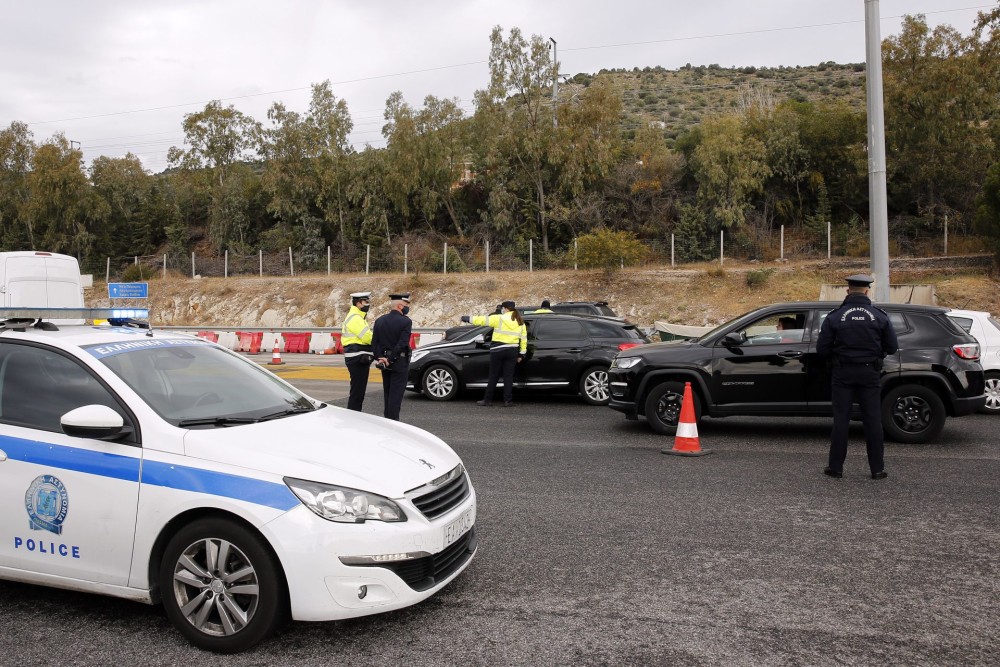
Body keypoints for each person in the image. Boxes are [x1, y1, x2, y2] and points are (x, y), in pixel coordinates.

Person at [816, 274, 898, 480]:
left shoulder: (835, 317)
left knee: (841, 420)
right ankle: (877, 469)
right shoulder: (879, 316)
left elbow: (822, 349)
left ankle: (836, 468)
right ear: (867, 291)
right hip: (870, 373)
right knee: (873, 420)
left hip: (842, 373)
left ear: (847, 291)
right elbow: (892, 347)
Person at [460, 300, 527, 407]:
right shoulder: (520, 321)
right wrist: (522, 354)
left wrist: (468, 319)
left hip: (498, 350)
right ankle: (508, 401)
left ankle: (487, 400)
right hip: (512, 351)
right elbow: (523, 339)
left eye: (503, 308)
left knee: (493, 376)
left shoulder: (499, 318)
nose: (502, 310)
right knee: (508, 377)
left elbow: (483, 320)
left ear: (506, 308)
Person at [371, 293, 413, 421]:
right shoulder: (406, 321)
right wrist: (391, 359)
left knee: (388, 394)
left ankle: (387, 421)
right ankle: (394, 423)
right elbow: (402, 343)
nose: (407, 307)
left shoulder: (380, 320)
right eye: (405, 305)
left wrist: (380, 358)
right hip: (398, 362)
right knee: (396, 396)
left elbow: (375, 342)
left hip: (384, 362)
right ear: (400, 306)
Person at [342, 291, 374, 411]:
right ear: (359, 303)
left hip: (357, 357)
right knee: (357, 391)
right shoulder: (355, 318)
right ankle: (354, 414)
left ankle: (354, 413)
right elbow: (368, 338)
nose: (368, 304)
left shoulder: (357, 317)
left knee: (358, 390)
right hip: (357, 358)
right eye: (366, 302)